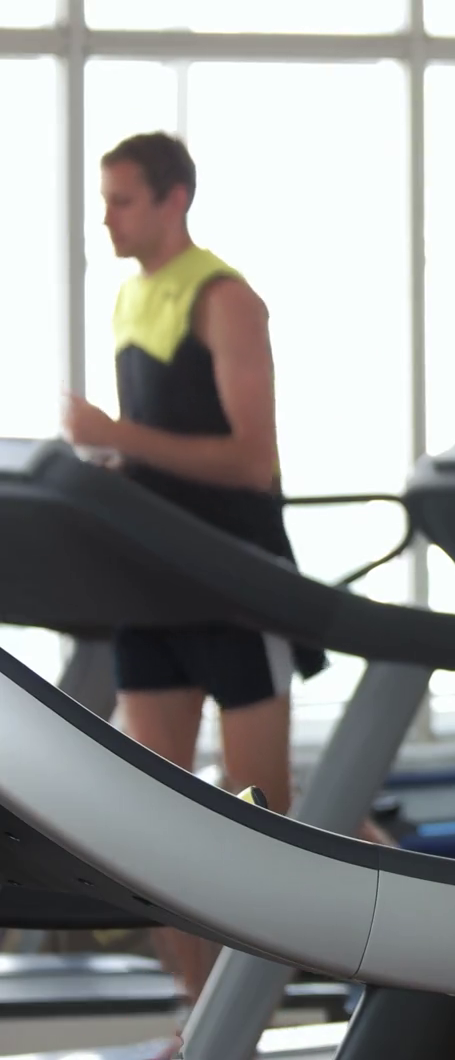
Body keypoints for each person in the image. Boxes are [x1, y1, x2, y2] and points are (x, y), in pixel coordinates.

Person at [61, 131, 326, 1048]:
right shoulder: (135, 296)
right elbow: (152, 444)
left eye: (123, 199)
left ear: (174, 200)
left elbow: (252, 462)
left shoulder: (226, 299)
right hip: (152, 580)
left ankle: (429, 958)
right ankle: (203, 1019)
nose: (107, 217)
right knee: (155, 820)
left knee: (261, 826)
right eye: (104, 199)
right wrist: (106, 455)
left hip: (236, 581)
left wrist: (119, 436)